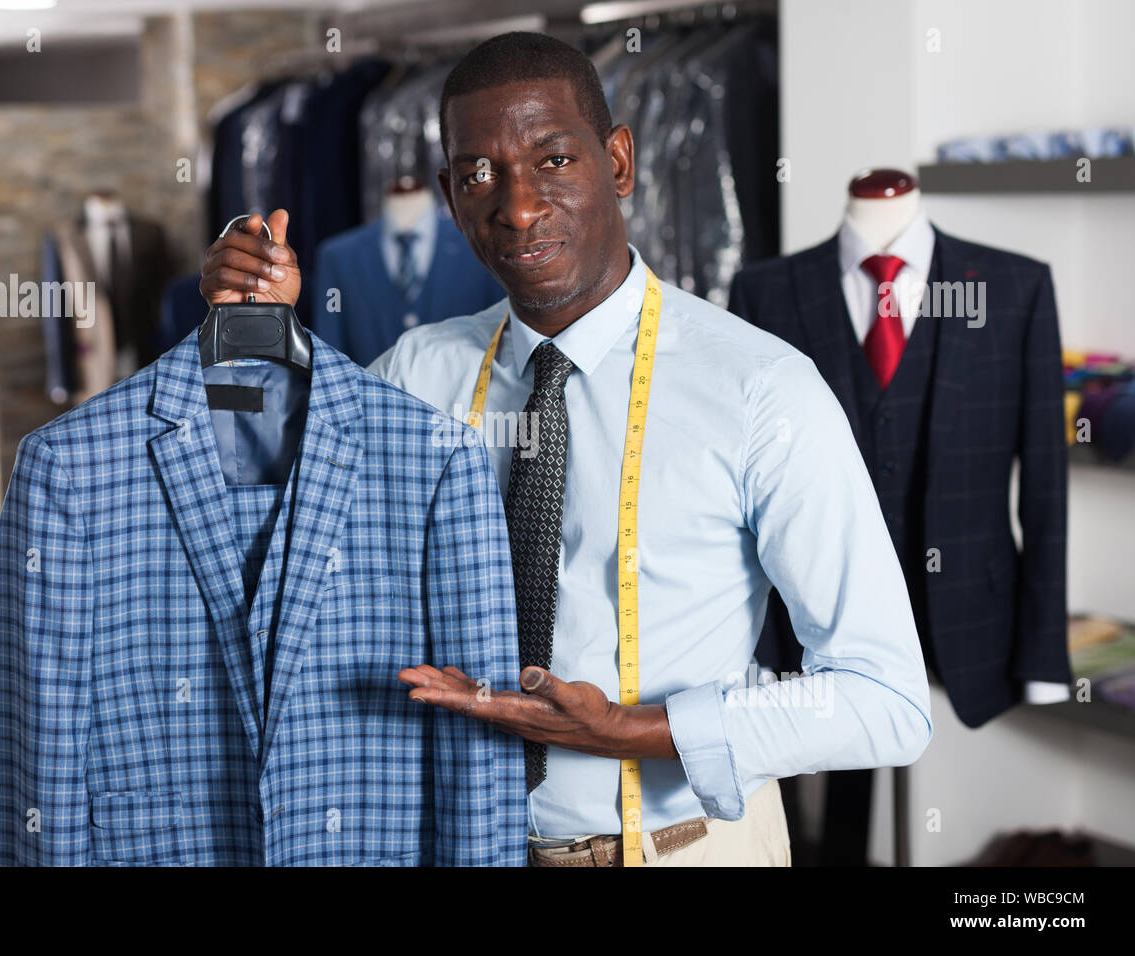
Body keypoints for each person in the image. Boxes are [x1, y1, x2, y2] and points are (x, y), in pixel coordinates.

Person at [199, 31, 932, 867]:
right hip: (467, 848)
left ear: (617, 161)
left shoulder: (761, 390)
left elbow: (887, 701)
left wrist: (630, 730)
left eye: (553, 160)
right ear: (449, 195)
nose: (517, 208)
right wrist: (247, 332)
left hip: (685, 851)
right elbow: (261, 529)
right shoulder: (416, 374)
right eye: (479, 175)